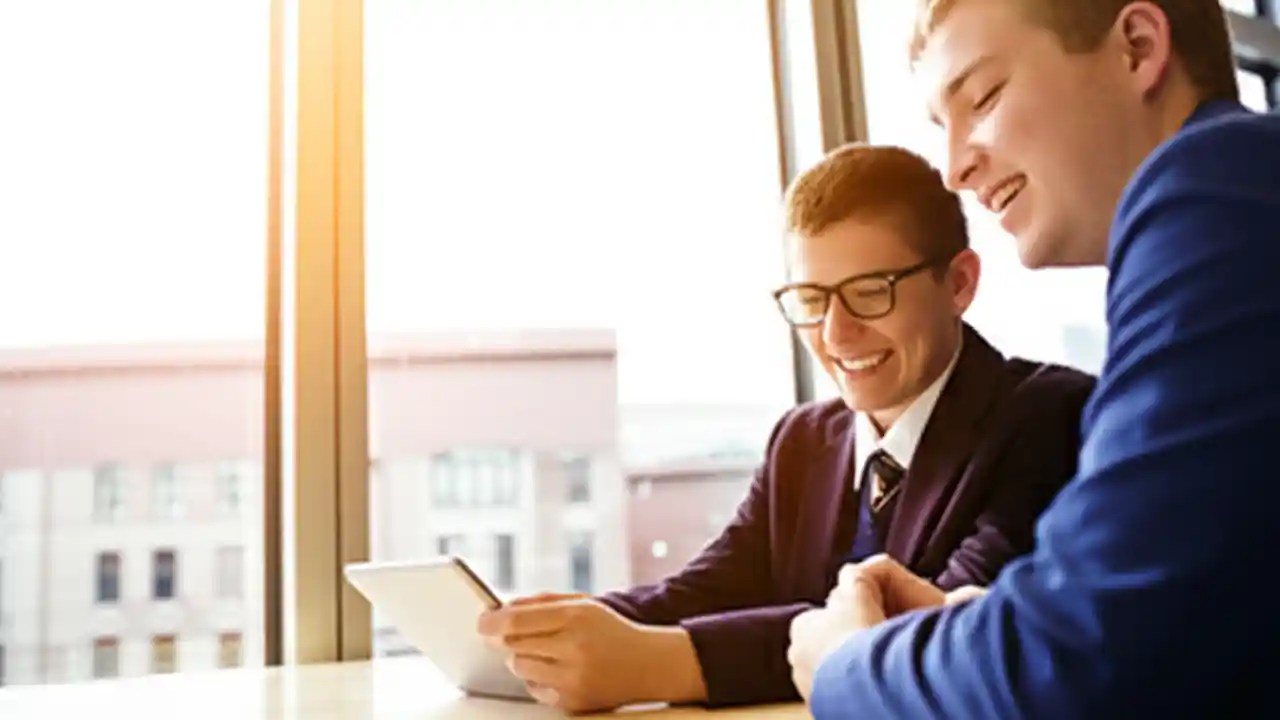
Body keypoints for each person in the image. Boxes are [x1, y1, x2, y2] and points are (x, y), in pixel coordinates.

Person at [787, 1, 1280, 717]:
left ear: (1138, 48)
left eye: (982, 98)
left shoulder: (1214, 188)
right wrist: (981, 631)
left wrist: (847, 666)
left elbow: (1083, 659)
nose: (954, 167)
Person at [476, 144, 1095, 713]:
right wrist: (562, 629)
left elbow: (935, 631)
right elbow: (714, 586)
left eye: (869, 292)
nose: (835, 334)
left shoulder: (1048, 417)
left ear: (958, 283)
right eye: (812, 298)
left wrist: (665, 665)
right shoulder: (804, 438)